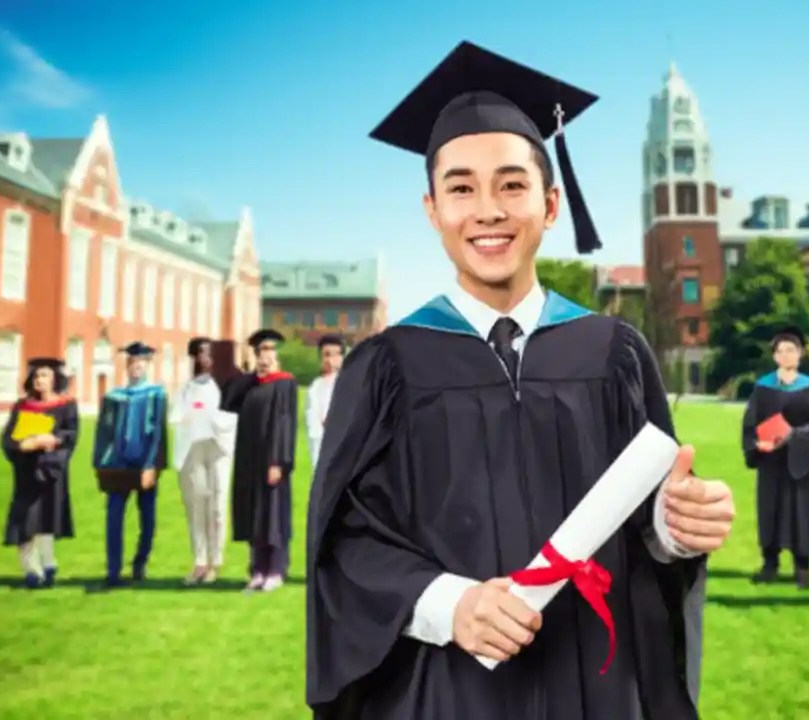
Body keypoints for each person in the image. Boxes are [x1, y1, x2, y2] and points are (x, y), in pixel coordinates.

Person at [306, 41, 733, 720]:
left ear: (552, 202)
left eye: (512, 184)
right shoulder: (387, 367)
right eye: (461, 188)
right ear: (431, 209)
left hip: (598, 682)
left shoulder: (614, 352)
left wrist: (675, 526)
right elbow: (346, 542)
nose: (488, 210)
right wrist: (449, 604)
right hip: (446, 693)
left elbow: (647, 526)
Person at [742, 327, 809, 589]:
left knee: (802, 513)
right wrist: (755, 444)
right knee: (771, 511)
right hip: (771, 462)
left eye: (791, 350)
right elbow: (750, 423)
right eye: (780, 351)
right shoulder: (763, 389)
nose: (786, 355)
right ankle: (769, 565)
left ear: (800, 354)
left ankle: (803, 569)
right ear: (774, 357)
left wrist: (795, 435)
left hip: (801, 460)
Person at [93, 342, 169, 589]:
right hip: (118, 464)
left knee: (147, 519)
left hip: (144, 464)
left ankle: (140, 561)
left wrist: (152, 466)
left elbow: (158, 433)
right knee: (113, 516)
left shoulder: (156, 394)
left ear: (148, 365)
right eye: (132, 362)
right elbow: (102, 432)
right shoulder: (114, 396)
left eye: (141, 362)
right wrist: (100, 463)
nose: (136, 366)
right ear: (126, 365)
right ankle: (113, 570)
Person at [1, 358, 79, 589]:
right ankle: (31, 569)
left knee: (48, 519)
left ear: (54, 379)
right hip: (27, 471)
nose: (39, 380)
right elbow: (7, 439)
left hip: (52, 471)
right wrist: (21, 446)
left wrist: (53, 439)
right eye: (36, 376)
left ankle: (48, 563)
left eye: (44, 376)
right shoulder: (21, 406)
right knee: (25, 520)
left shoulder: (66, 406)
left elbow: (71, 436)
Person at [230, 329, 297, 593]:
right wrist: (248, 374)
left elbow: (284, 423)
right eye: (260, 351)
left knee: (273, 516)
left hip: (272, 462)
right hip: (249, 461)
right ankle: (257, 569)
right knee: (254, 515)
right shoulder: (251, 385)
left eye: (269, 350)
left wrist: (278, 461)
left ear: (277, 354)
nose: (265, 356)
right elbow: (229, 402)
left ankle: (276, 569)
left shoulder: (284, 383)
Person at [172, 336, 237, 585]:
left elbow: (231, 416)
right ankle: (200, 560)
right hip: (193, 447)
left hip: (218, 448)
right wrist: (191, 417)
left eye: (209, 353)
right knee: (196, 505)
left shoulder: (225, 385)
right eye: (200, 353)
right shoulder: (189, 387)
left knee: (217, 506)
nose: (205, 358)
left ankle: (215, 559)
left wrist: (210, 419)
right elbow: (178, 415)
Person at [305, 334, 345, 469]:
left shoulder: (348, 383)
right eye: (326, 355)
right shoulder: (315, 386)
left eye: (334, 355)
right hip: (318, 443)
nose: (330, 360)